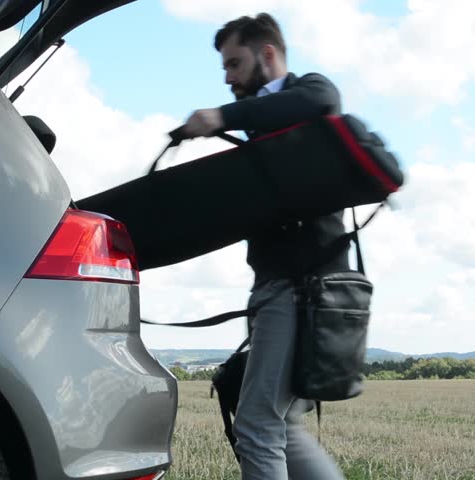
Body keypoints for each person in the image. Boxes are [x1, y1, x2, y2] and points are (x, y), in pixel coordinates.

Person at [181, 12, 349, 480]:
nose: (228, 77)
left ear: (268, 54)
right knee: (283, 426)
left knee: (257, 424)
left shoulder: (312, 93)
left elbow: (316, 100)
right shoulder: (263, 126)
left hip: (300, 292)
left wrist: (221, 117)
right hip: (279, 291)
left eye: (235, 63)